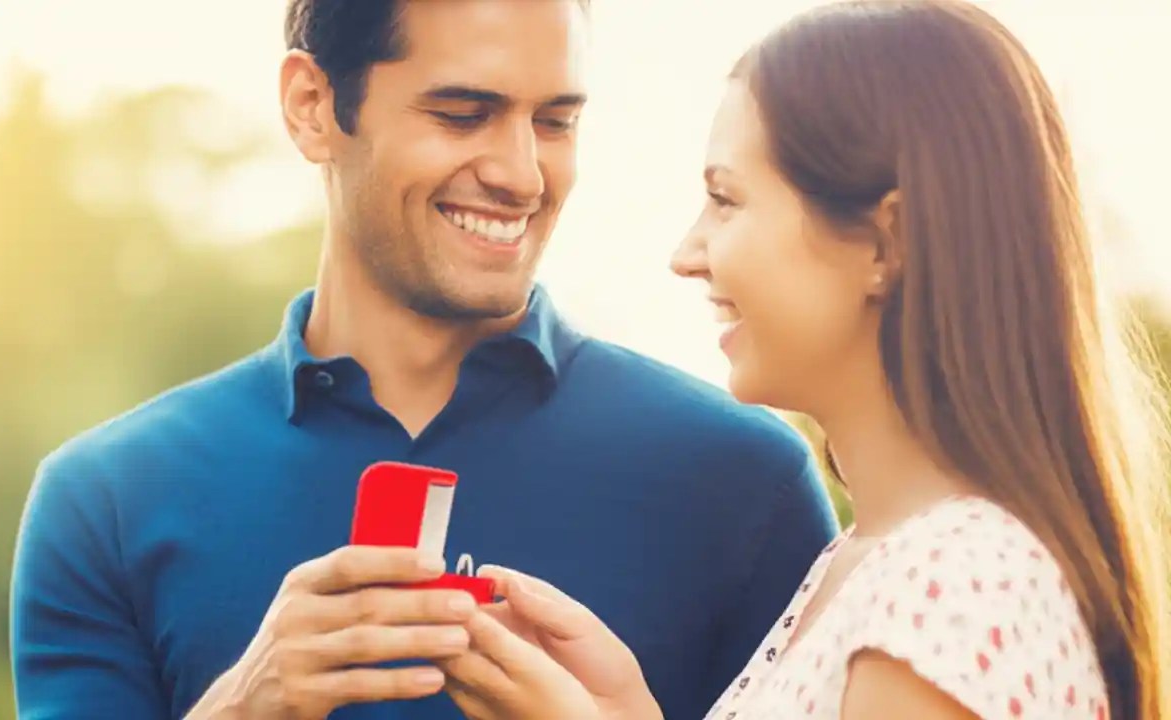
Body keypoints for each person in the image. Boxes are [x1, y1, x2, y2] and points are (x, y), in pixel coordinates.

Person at [8, 1, 839, 718]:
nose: (521, 174)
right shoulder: (103, 504)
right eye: (462, 113)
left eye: (555, 121)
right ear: (312, 106)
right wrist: (242, 706)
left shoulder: (746, 484)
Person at [433, 2, 1171, 719]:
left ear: (886, 243)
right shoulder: (870, 562)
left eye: (726, 200)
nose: (687, 255)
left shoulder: (949, 592)